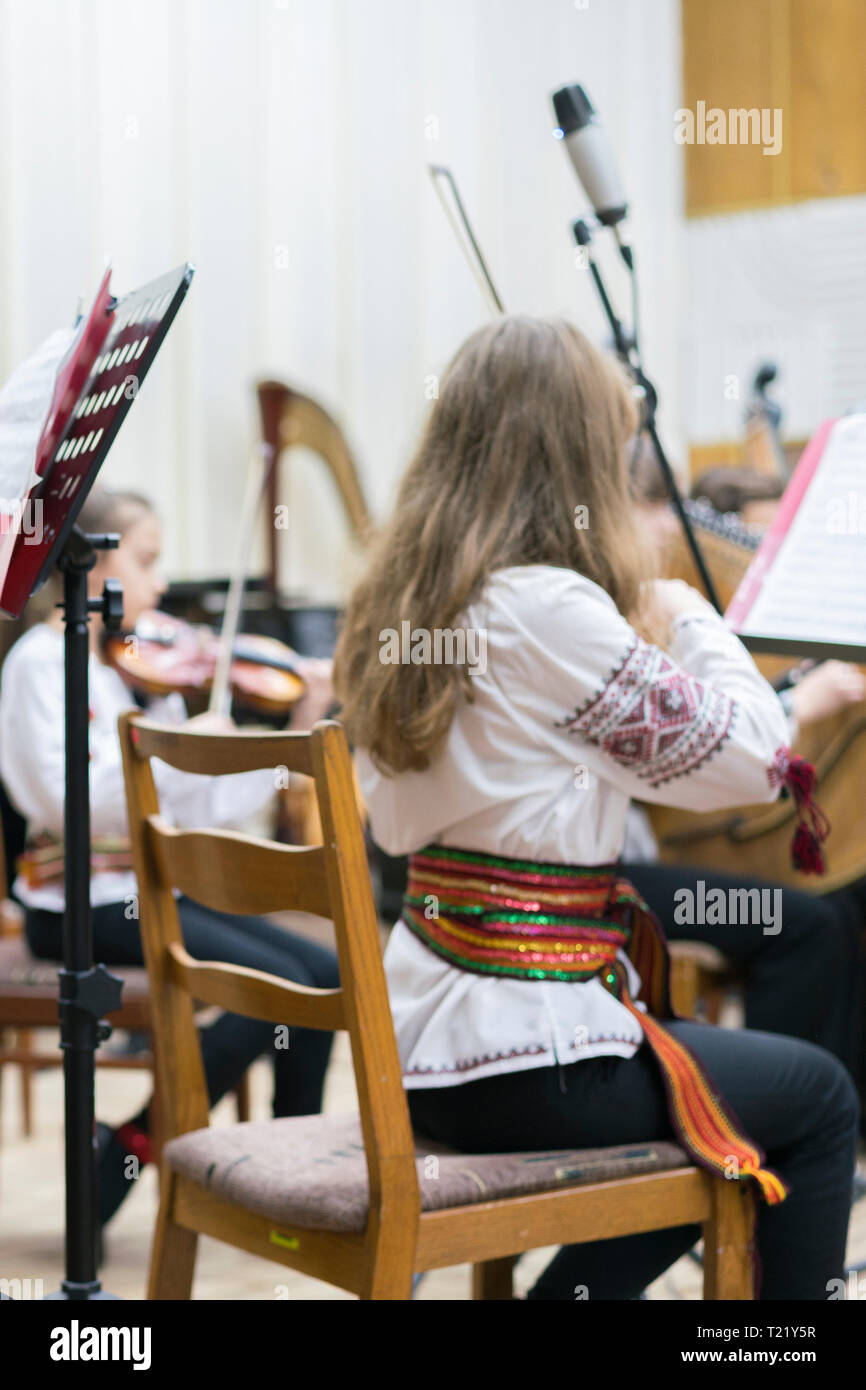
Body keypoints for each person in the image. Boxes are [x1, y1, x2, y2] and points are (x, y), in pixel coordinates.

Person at [334, 315, 859, 1300]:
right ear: (582, 459)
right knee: (814, 1101)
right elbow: (755, 761)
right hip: (518, 1060)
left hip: (417, 1044)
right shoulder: (545, 607)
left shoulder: (401, 600)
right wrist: (680, 605)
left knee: (742, 1118)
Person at [0, 488, 340, 1229]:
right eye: (148, 562)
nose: (159, 587)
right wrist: (178, 758)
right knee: (276, 983)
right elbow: (68, 801)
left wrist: (299, 722)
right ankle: (138, 1143)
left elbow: (201, 806)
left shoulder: (143, 666)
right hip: (79, 907)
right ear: (93, 561)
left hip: (154, 893)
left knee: (327, 975)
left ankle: (296, 1169)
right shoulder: (39, 664)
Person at [627, 439, 866, 1084]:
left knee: (842, 903)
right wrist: (795, 700)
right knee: (805, 923)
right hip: (610, 877)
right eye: (659, 506)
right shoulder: (625, 606)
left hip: (620, 860)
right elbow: (713, 750)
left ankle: (841, 1117)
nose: (673, 527)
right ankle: (784, 1124)